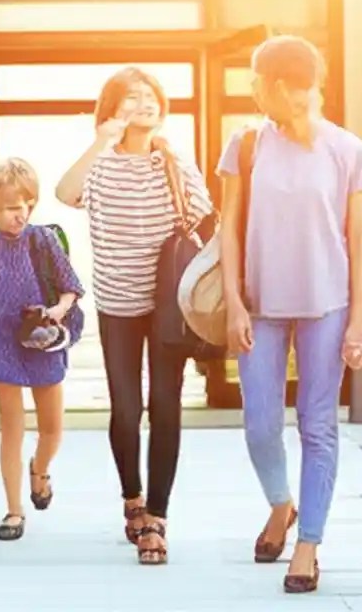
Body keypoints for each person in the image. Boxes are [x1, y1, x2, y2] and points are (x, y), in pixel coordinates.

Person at [217, 35, 362, 592]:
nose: (251, 90)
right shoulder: (244, 146)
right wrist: (236, 301)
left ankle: (308, 542)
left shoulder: (349, 152)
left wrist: (359, 318)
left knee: (318, 427)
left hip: (328, 306)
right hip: (260, 307)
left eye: (256, 81)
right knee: (261, 423)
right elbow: (230, 230)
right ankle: (280, 503)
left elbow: (359, 242)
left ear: (281, 86)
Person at [55, 67, 214, 565]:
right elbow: (64, 193)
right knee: (127, 408)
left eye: (150, 96)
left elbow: (208, 223)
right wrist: (102, 139)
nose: (143, 102)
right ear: (111, 109)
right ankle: (133, 498)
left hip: (169, 305)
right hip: (118, 304)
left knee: (166, 404)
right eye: (130, 97)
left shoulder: (174, 165)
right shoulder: (98, 167)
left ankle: (158, 519)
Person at [0, 158, 84, 541]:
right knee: (11, 427)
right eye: (11, 207)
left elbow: (70, 286)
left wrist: (56, 312)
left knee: (52, 428)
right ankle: (13, 510)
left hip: (43, 340)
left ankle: (39, 469)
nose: (20, 213)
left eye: (27, 204)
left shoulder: (43, 240)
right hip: (0, 341)